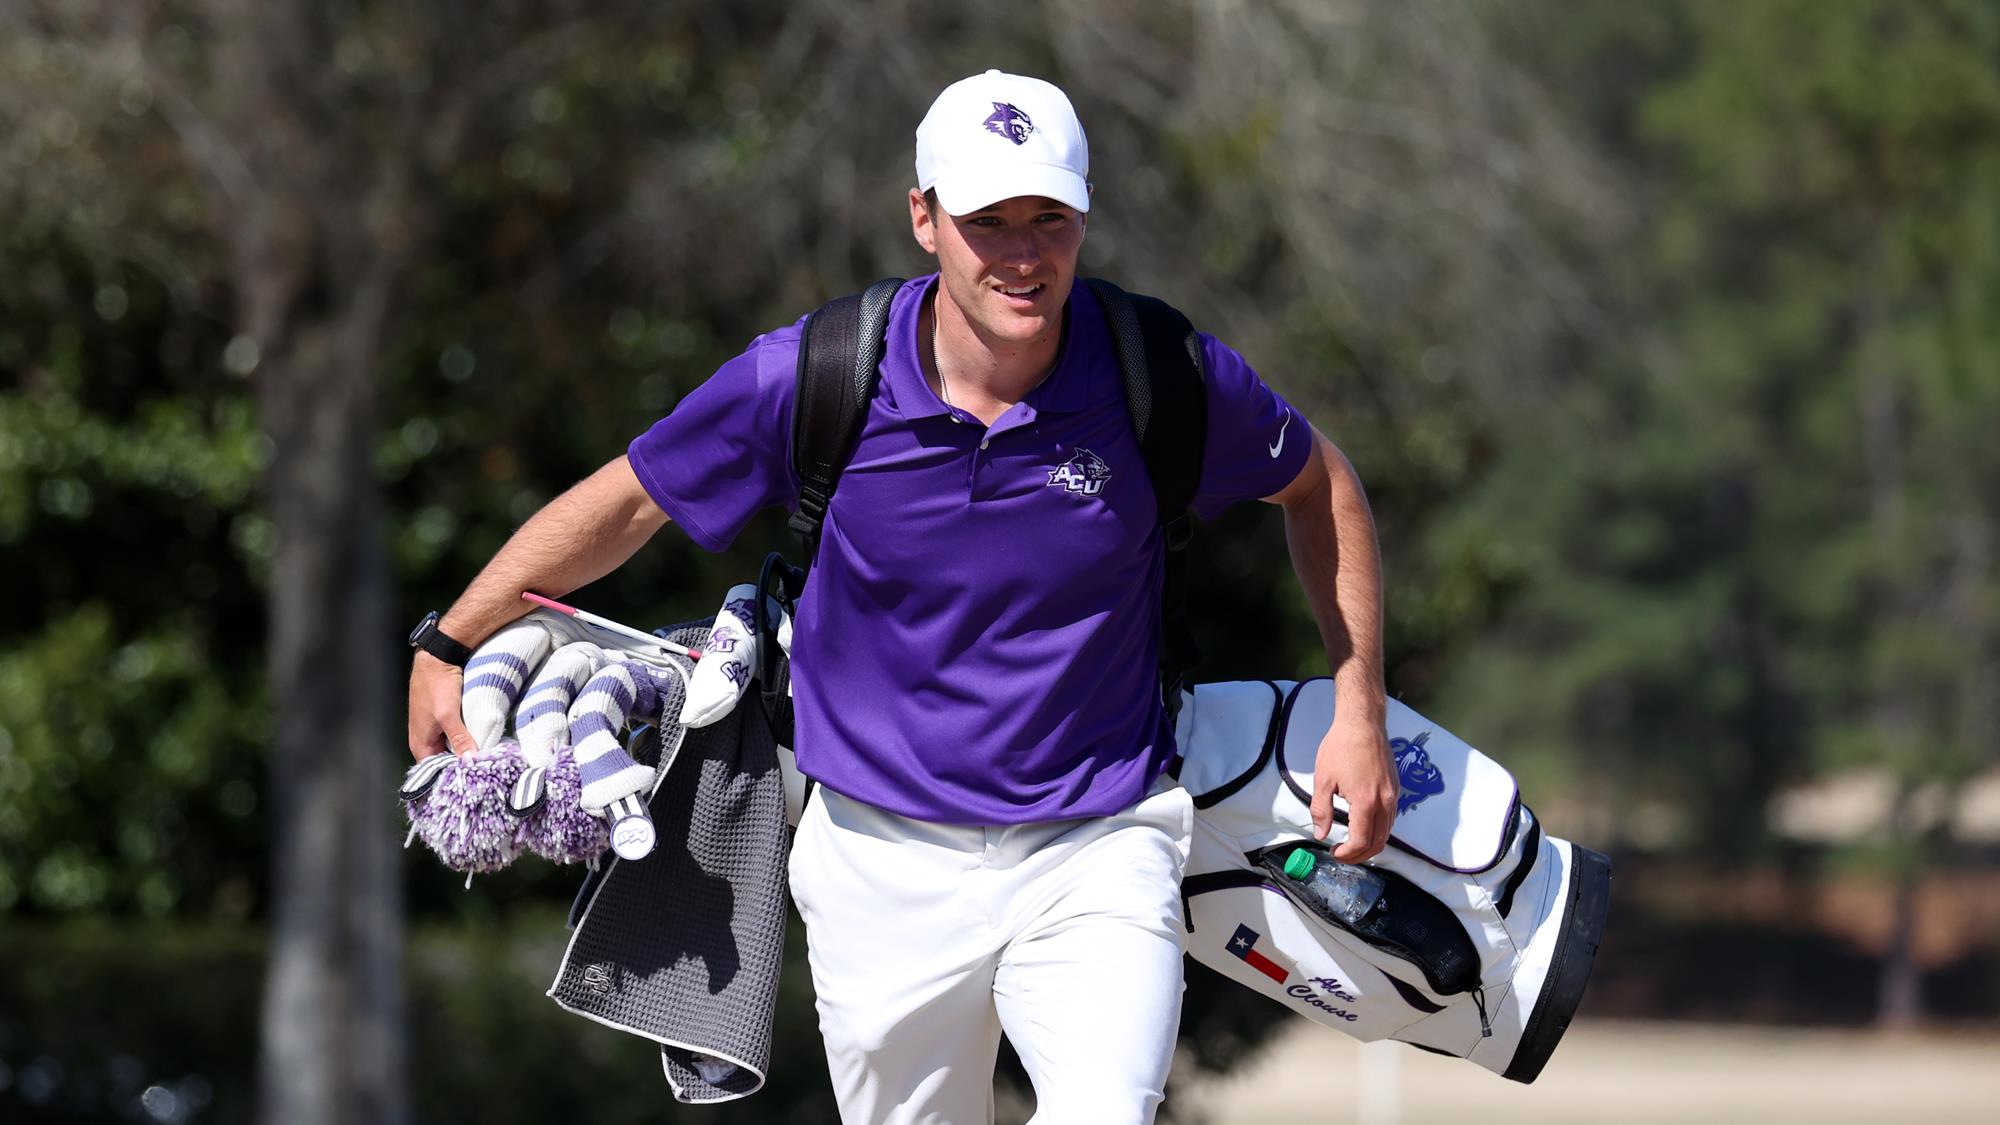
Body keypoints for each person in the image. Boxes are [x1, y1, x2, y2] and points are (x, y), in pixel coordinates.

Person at [406, 69, 1396, 1125]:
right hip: (877, 867)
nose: (1023, 255)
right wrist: (451, 641)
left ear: (1084, 219)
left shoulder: (1161, 372)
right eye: (987, 222)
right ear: (923, 218)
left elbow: (1319, 485)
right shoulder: (817, 374)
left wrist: (1359, 710)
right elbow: (628, 503)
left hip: (1098, 844)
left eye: (1049, 218)